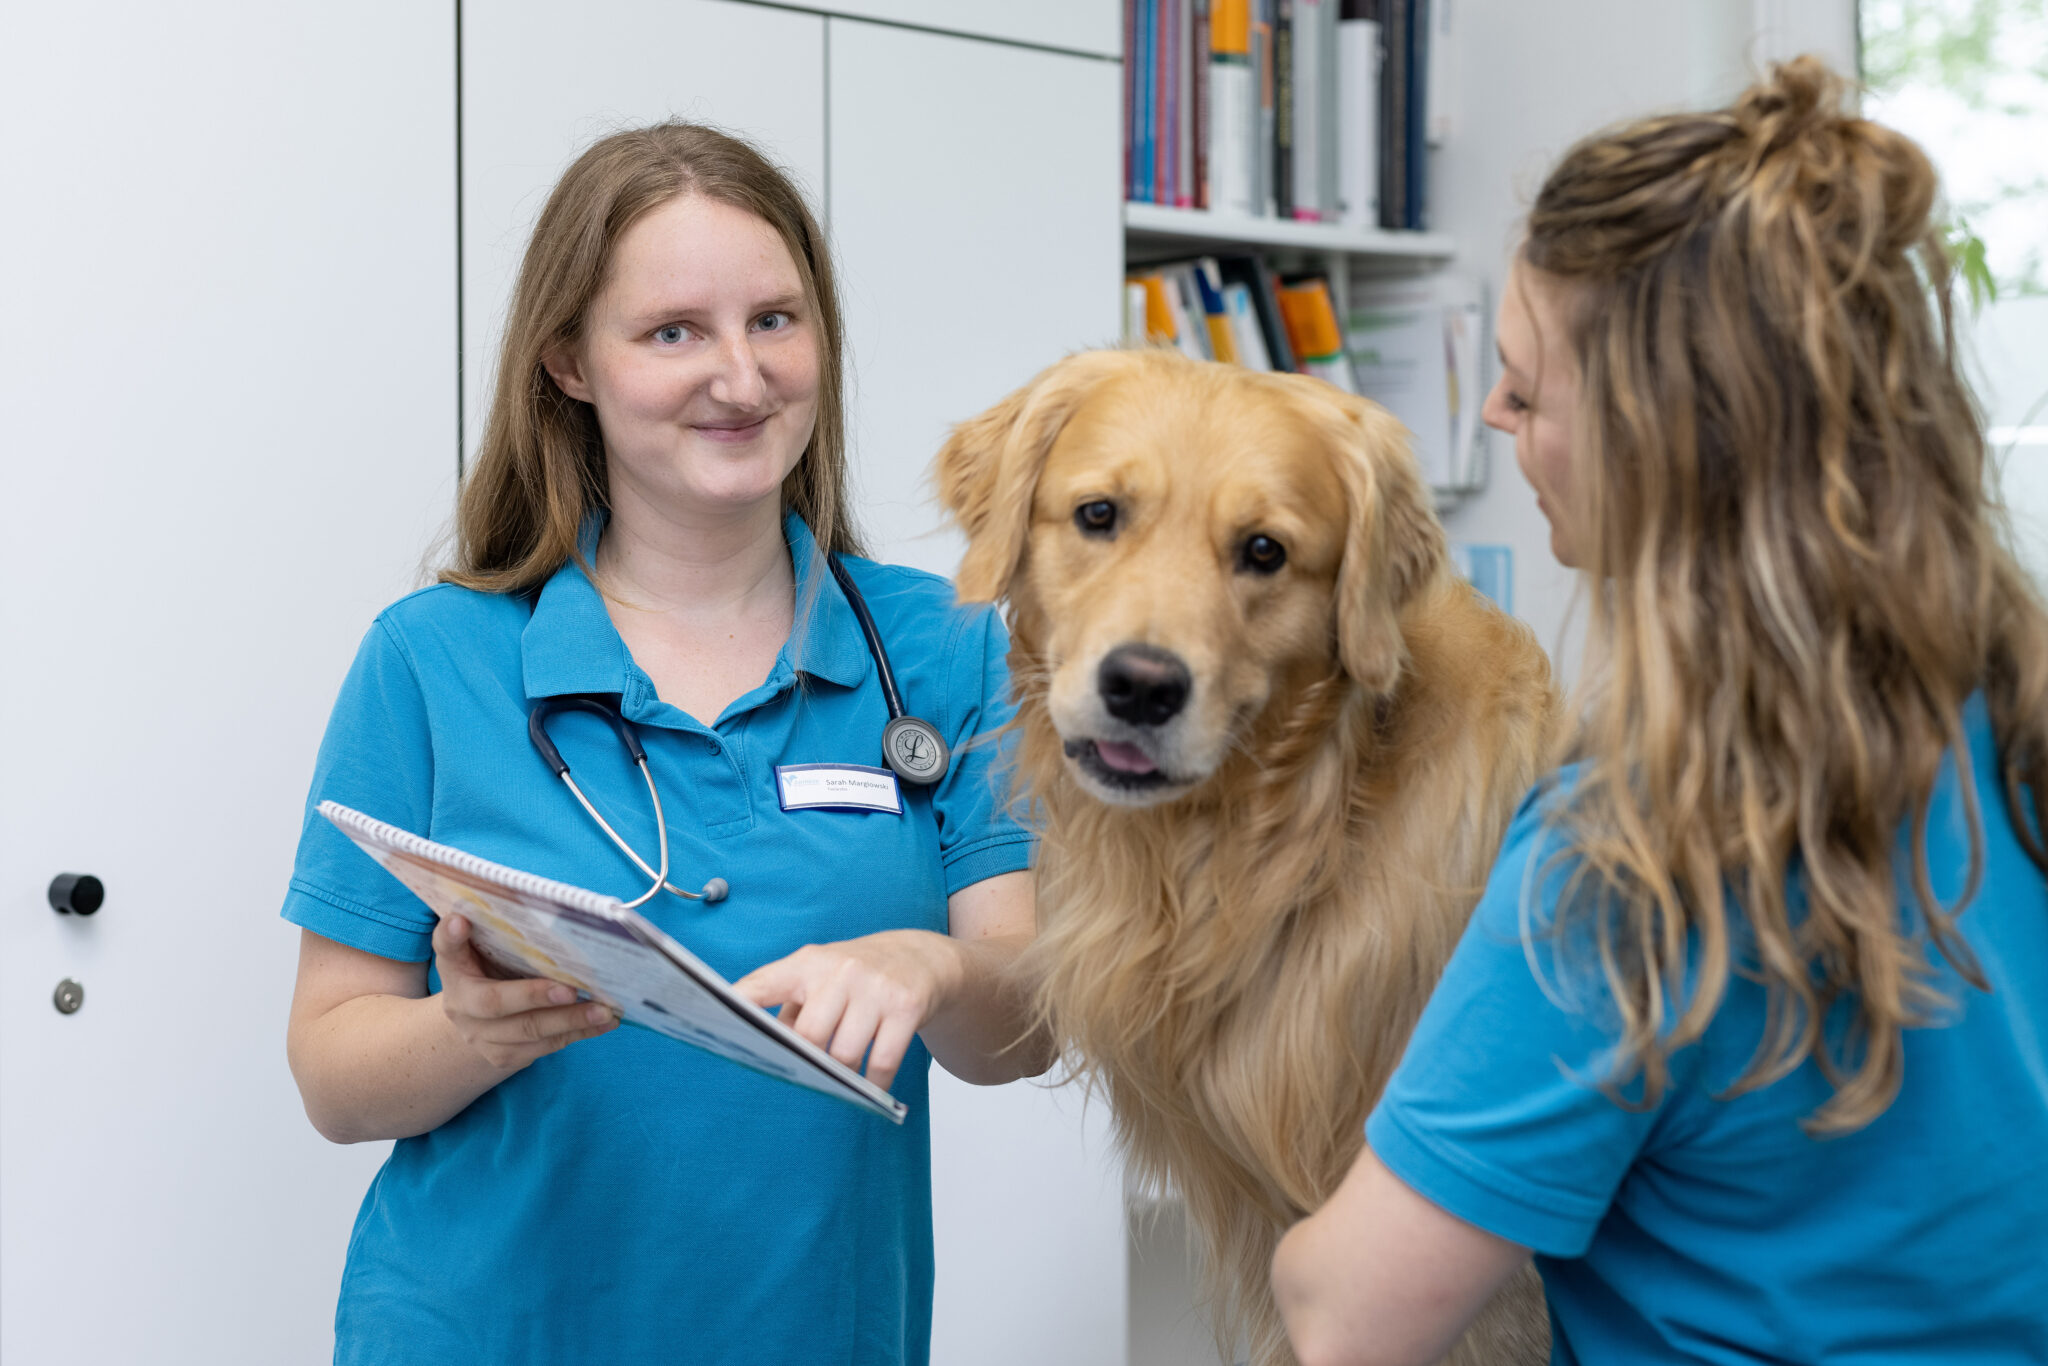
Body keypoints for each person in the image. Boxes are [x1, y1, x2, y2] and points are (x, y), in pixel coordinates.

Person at [1271, 57, 2048, 1366]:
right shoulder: (2013, 722)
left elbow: (1346, 1318)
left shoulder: (1624, 861)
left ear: (1656, 440)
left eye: (1526, 385)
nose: (1498, 414)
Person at [282, 122, 1044, 1366]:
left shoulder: (943, 649)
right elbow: (331, 1071)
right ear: (568, 363)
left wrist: (934, 965)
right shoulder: (433, 659)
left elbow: (1028, 1033)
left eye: (776, 321)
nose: (741, 380)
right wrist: (467, 1030)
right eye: (672, 331)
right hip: (483, 1331)